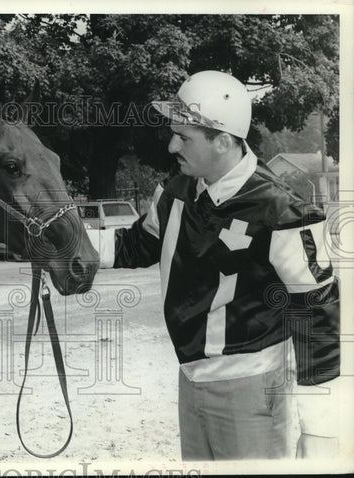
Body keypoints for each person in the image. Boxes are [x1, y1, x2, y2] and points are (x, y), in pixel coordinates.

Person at [88, 70, 340, 460]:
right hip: (190, 379)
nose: (172, 146)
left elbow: (317, 308)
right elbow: (137, 245)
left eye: (184, 137)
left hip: (252, 388)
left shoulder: (281, 208)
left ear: (223, 141)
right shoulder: (177, 191)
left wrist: (319, 428)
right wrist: (64, 243)